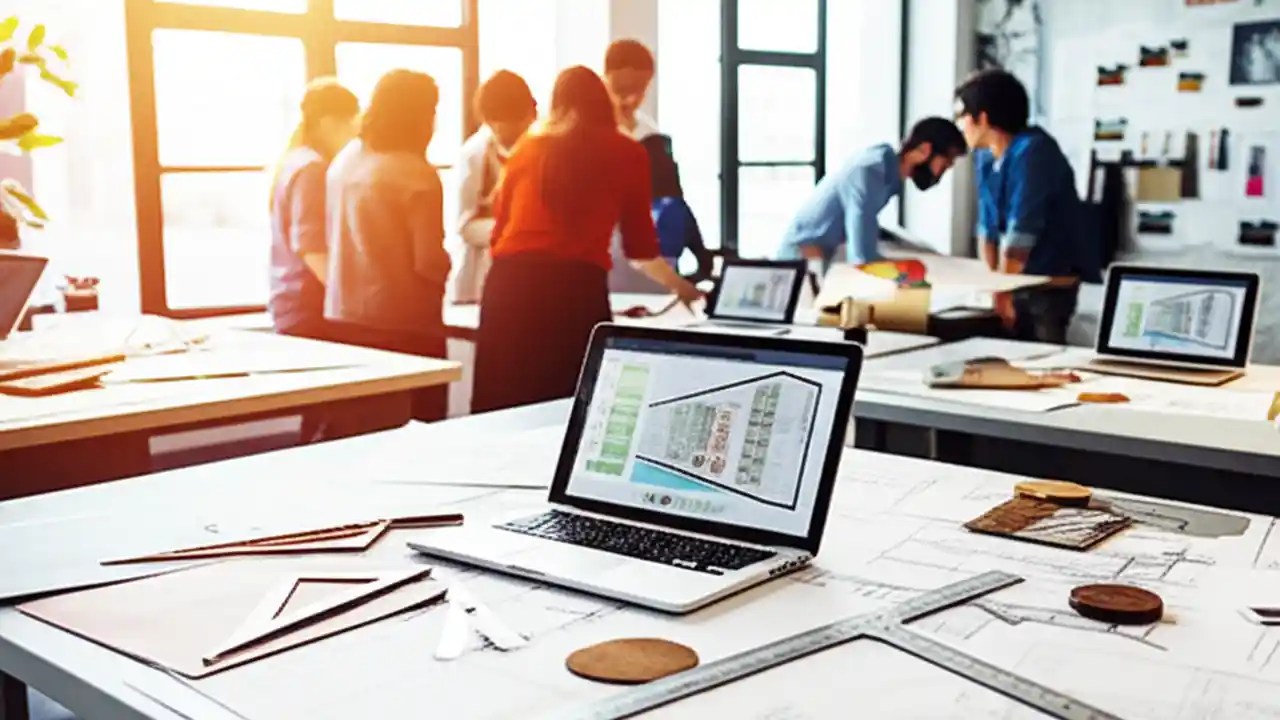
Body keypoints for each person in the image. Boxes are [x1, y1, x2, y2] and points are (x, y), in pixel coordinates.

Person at [472, 66, 700, 413]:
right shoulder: (626, 152)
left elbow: (499, 234)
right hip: (574, 290)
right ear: (604, 102)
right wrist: (683, 288)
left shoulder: (527, 149)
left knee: (500, 408)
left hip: (508, 288)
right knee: (570, 410)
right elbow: (640, 249)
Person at [325, 69, 452, 421]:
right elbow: (427, 260)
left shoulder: (345, 161)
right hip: (406, 326)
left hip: (343, 317)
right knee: (421, 429)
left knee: (355, 428)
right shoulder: (417, 174)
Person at [955, 69, 1101, 344]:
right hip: (1012, 280)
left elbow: (1022, 231)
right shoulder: (985, 158)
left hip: (1048, 282)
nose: (959, 125)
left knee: (1043, 351)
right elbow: (986, 227)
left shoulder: (1034, 151)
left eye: (961, 116)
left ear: (982, 118)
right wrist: (996, 288)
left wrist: (1002, 292)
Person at [777, 117, 968, 271]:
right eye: (946, 161)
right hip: (802, 261)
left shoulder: (887, 173)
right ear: (924, 149)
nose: (946, 169)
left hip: (828, 254)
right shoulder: (870, 172)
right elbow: (862, 258)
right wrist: (913, 271)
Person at [267, 78, 359, 339]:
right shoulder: (313, 169)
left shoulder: (292, 161)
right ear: (329, 123)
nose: (355, 137)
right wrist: (351, 302)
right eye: (351, 125)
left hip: (291, 303)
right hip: (310, 309)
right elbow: (312, 249)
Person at [451, 70, 537, 304]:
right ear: (490, 123)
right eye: (510, 127)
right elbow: (465, 226)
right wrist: (517, 230)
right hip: (483, 274)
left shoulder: (540, 149)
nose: (521, 132)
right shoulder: (474, 155)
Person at [603, 38, 658, 141]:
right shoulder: (585, 134)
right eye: (621, 91)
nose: (631, 100)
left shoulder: (651, 137)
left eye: (640, 90)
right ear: (604, 81)